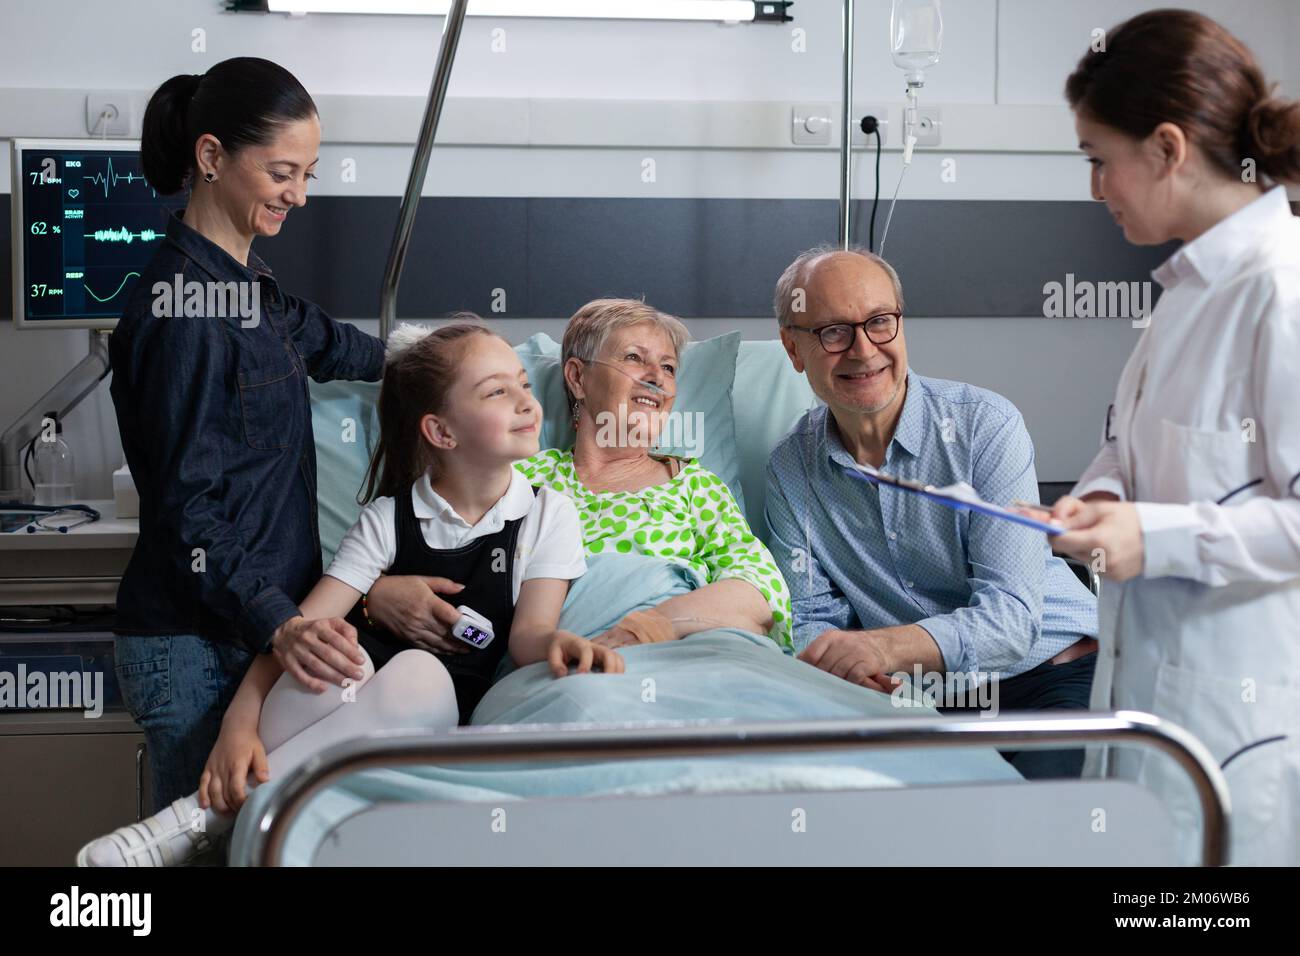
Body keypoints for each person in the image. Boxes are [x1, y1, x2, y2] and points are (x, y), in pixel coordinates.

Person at [81, 321, 618, 866]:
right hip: (326, 708)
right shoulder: (388, 518)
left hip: (430, 712)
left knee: (421, 674)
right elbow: (296, 634)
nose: (527, 402)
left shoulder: (548, 513)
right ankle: (232, 817)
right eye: (497, 391)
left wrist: (560, 644)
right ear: (442, 432)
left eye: (525, 384)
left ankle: (201, 819)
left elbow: (530, 634)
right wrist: (237, 726)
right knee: (333, 654)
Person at [1045, 9, 1300, 864]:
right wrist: (1102, 500)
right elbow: (1138, 449)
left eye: (1098, 161)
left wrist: (1151, 538)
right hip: (1151, 718)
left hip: (1240, 730)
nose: (1095, 190)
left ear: (1165, 148)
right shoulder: (1188, 287)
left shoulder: (1282, 290)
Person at [110, 58, 388, 814]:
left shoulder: (244, 286)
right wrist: (284, 624)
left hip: (243, 635)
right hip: (196, 648)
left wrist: (448, 359)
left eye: (309, 174)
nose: (297, 195)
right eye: (281, 172)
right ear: (210, 158)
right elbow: (188, 515)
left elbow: (332, 344)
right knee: (195, 855)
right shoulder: (184, 315)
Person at [765, 246, 1099, 779]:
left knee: (1037, 831)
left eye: (880, 322)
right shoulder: (790, 469)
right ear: (793, 348)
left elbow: (1011, 622)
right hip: (919, 704)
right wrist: (848, 670)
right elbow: (809, 620)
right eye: (832, 331)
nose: (863, 350)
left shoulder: (984, 427)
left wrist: (882, 648)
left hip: (1053, 678)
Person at [515, 298, 793, 649]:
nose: (657, 378)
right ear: (578, 377)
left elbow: (759, 594)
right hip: (567, 661)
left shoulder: (695, 487)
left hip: (683, 652)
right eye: (633, 357)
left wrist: (649, 626)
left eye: (669, 367)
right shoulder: (526, 480)